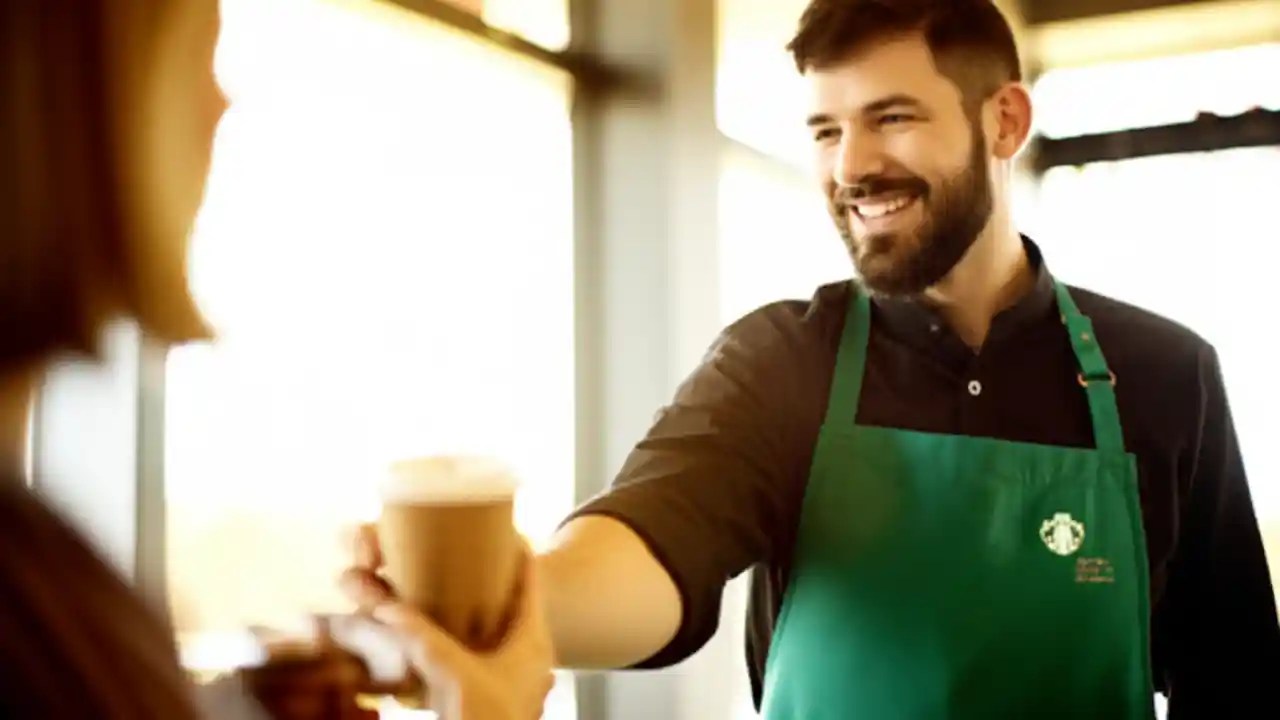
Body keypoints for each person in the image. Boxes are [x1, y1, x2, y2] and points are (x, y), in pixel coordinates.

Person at [348, 0, 1280, 717]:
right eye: (827, 131)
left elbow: (1236, 683)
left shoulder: (1166, 375)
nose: (851, 167)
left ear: (1003, 121)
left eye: (893, 118)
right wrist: (498, 606)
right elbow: (656, 543)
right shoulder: (783, 359)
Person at [0, 2, 552, 718]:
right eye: (200, 49)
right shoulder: (33, 607)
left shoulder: (48, 572)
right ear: (83, 85)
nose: (219, 102)